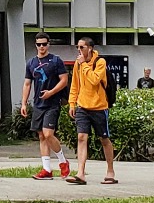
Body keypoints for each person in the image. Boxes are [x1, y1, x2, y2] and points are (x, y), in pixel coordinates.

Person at [67, 37, 116, 185]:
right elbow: (75, 84)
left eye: (82, 47)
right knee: (81, 137)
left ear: (90, 48)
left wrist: (85, 65)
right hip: (83, 106)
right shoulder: (78, 63)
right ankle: (80, 173)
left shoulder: (100, 62)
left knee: (104, 139)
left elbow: (94, 80)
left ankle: (110, 171)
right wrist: (72, 103)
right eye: (78, 47)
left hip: (99, 107)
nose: (79, 50)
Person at [21, 33, 70, 179]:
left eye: (44, 44)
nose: (41, 47)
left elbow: (64, 80)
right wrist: (24, 103)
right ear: (35, 45)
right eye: (39, 44)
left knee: (48, 134)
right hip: (38, 104)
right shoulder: (31, 63)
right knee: (41, 136)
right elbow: (27, 83)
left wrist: (51, 92)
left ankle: (63, 161)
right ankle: (46, 169)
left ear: (49, 44)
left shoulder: (56, 61)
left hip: (52, 103)